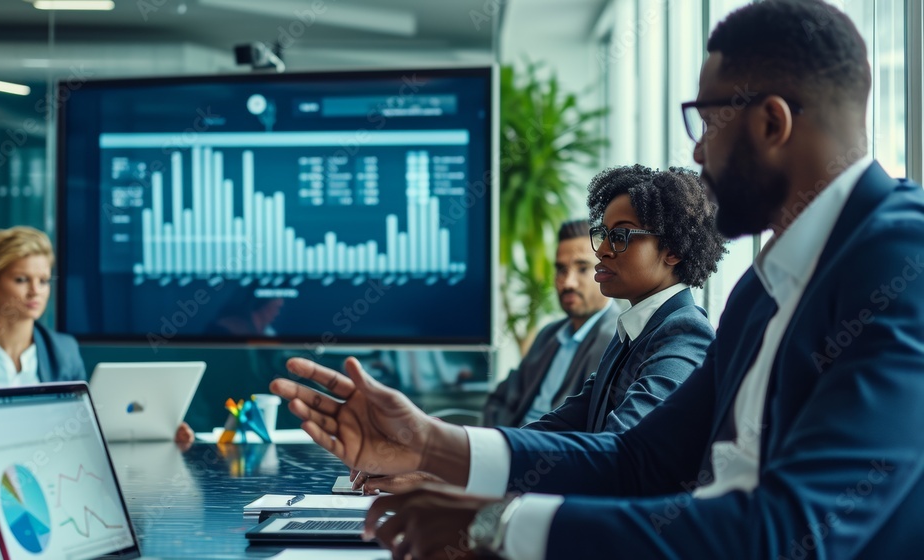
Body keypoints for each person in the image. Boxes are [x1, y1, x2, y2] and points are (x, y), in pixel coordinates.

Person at [270, 1, 924, 558]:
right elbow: (640, 459)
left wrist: (501, 524)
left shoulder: (901, 262)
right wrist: (430, 441)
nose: (697, 152)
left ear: (771, 122)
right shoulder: (763, 290)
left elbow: (791, 533)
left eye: (707, 120)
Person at [353, 166, 726, 494]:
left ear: (673, 250)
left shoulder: (684, 333)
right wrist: (441, 454)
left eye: (622, 236)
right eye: (604, 234)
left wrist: (447, 466)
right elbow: (559, 426)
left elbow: (619, 451)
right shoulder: (634, 330)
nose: (603, 251)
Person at [0, 227, 195, 446]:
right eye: (21, 280)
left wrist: (160, 435)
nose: (35, 291)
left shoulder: (64, 350)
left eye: (43, 281)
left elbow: (86, 429)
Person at [483, 219, 618, 428]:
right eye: (561, 270)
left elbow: (587, 429)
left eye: (582, 269)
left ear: (605, 271)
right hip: (511, 443)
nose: (568, 283)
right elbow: (502, 398)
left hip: (548, 453)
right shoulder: (548, 334)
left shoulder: (617, 340)